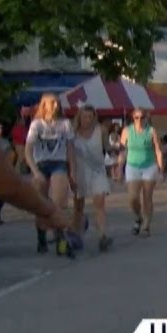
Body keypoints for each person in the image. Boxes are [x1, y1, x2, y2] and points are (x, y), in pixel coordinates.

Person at [25, 93, 76, 255]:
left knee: (59, 202)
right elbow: (27, 151)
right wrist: (35, 172)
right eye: (51, 103)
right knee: (41, 205)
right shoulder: (36, 125)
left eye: (57, 103)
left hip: (59, 164)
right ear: (43, 105)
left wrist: (72, 172)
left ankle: (60, 238)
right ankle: (41, 236)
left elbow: (70, 150)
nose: (55, 106)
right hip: (40, 164)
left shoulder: (65, 124)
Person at [70, 106, 112, 251]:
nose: (87, 120)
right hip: (80, 171)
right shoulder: (72, 132)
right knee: (78, 206)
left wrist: (116, 150)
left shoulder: (101, 130)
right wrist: (71, 173)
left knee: (99, 201)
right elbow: (68, 153)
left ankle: (102, 236)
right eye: (84, 116)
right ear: (79, 117)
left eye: (90, 116)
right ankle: (76, 233)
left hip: (97, 170)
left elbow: (107, 147)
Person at [122, 108, 164, 238]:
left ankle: (146, 225)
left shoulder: (151, 131)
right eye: (136, 118)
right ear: (133, 118)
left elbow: (158, 150)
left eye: (142, 118)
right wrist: (118, 167)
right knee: (133, 198)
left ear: (146, 118)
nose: (139, 120)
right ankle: (138, 217)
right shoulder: (127, 131)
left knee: (147, 197)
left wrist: (160, 169)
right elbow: (123, 151)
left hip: (149, 166)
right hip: (132, 166)